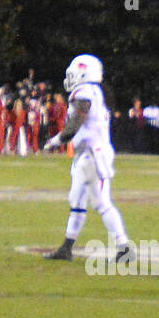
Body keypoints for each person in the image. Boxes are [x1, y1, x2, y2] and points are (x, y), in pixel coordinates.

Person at [42, 54, 135, 264]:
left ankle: (124, 247)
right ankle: (66, 248)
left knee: (102, 203)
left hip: (93, 155)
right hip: (86, 154)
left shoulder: (84, 93)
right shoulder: (94, 92)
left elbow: (74, 124)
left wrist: (54, 141)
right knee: (77, 201)